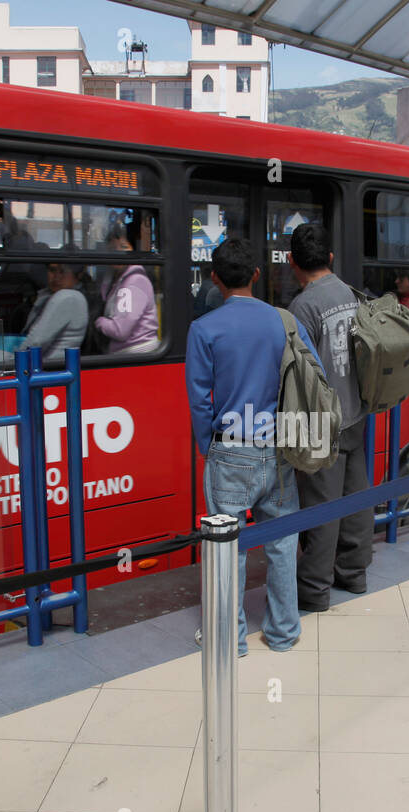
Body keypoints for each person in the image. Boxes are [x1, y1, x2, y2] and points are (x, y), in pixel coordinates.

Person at [185, 237, 306, 655]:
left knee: (226, 551)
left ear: (215, 278)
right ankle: (283, 632)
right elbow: (312, 378)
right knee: (282, 543)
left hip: (230, 450)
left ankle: (230, 639)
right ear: (257, 275)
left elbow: (200, 401)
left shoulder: (204, 329)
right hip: (280, 448)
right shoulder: (285, 321)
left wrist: (210, 448)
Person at [287, 222, 374, 611]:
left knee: (321, 507)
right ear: (331, 258)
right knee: (356, 499)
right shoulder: (351, 294)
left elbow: (297, 372)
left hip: (323, 423)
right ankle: (354, 575)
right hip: (356, 412)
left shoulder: (302, 307)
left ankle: (314, 590)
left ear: (292, 262)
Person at [94, 227, 158, 354]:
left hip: (136, 353)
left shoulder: (134, 281)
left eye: (124, 247)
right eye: (112, 249)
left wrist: (98, 321)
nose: (118, 253)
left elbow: (120, 330)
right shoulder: (114, 278)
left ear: (134, 250)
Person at [20, 262, 89, 360]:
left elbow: (36, 341)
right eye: (52, 270)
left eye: (62, 271)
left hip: (51, 367)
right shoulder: (48, 295)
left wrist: (12, 363)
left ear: (78, 274)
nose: (56, 277)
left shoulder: (67, 297)